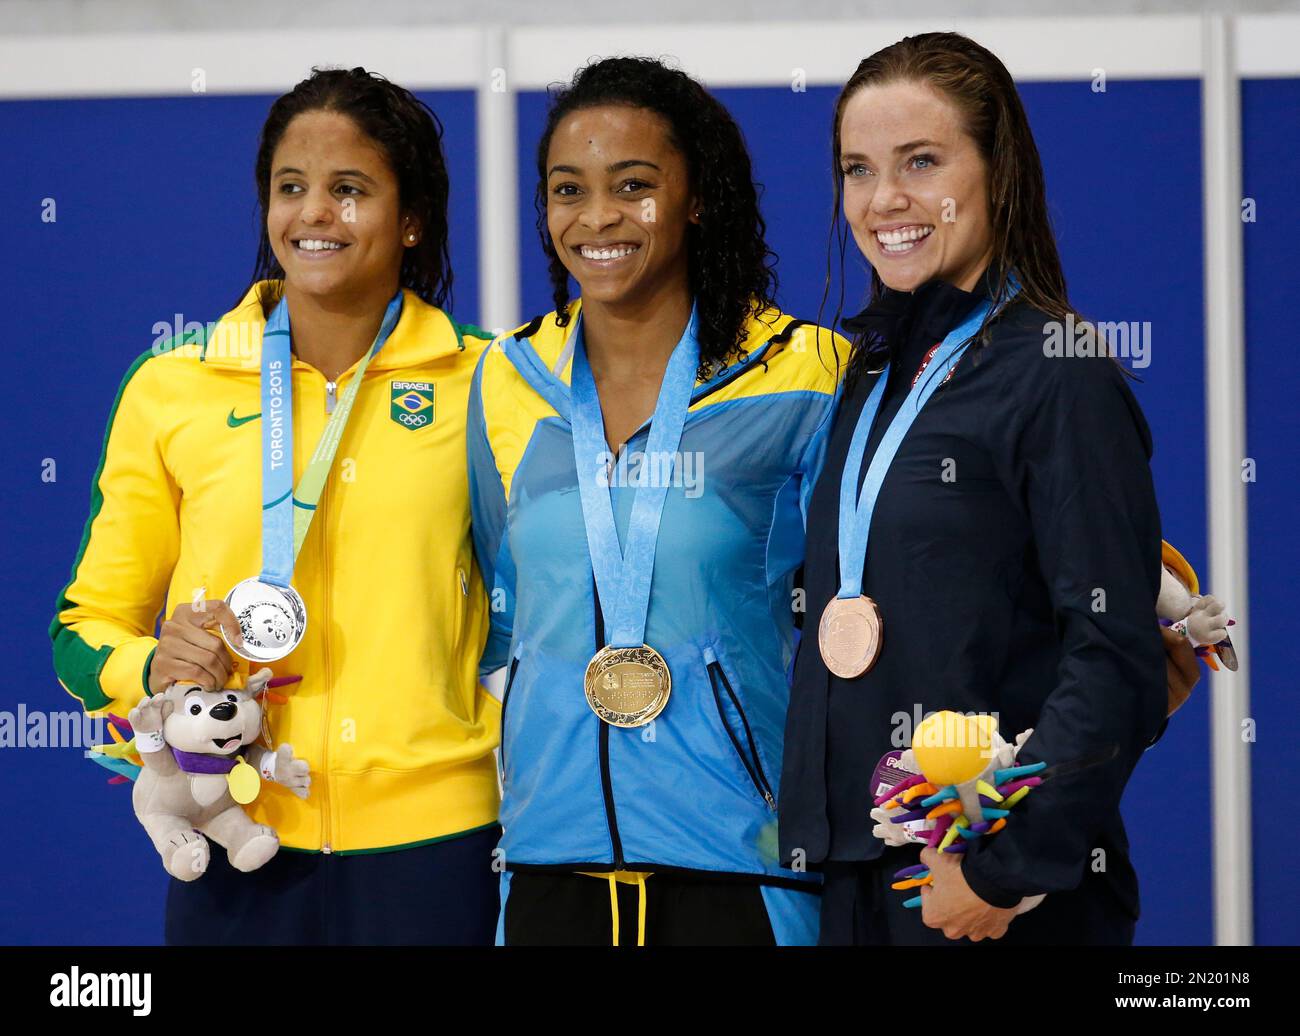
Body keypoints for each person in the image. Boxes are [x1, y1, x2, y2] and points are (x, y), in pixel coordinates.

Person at [50, 67, 501, 945]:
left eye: (349, 190)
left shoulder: (486, 379)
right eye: (290, 188)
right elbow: (82, 629)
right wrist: (153, 668)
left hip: (437, 843)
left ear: (411, 219)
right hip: (236, 835)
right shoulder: (173, 386)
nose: (314, 215)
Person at [779, 32, 1170, 946]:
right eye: (858, 169)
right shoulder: (872, 375)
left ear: (998, 171)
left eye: (922, 161)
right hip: (858, 877)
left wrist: (1005, 874)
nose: (886, 201)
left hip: (991, 898)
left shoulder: (1057, 371)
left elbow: (1111, 653)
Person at [468, 57, 844, 945]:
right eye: (569, 189)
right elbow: (504, 608)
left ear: (697, 198)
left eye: (633, 186)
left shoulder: (805, 373)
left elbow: (867, 606)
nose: (597, 218)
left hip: (740, 862)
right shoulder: (506, 377)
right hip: (547, 865)